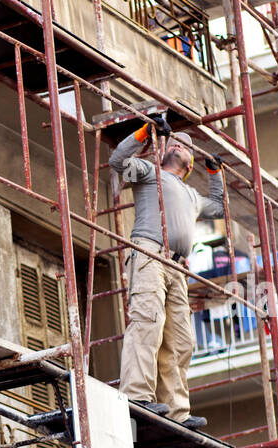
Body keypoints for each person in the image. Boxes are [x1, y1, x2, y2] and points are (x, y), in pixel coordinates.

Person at [109, 116, 224, 429]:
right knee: (148, 321)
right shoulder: (150, 172)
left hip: (176, 266)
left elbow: (219, 208)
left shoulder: (190, 195)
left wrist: (215, 174)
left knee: (180, 340)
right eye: (175, 141)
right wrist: (145, 133)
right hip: (149, 253)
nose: (179, 144)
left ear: (189, 165)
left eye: (186, 146)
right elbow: (118, 160)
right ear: (162, 151)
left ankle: (177, 411)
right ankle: (136, 394)